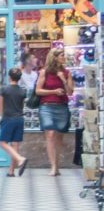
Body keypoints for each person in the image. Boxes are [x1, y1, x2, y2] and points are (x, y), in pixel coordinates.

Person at [36, 46, 73, 176]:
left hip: (61, 106)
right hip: (47, 106)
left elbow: (70, 92)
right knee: (50, 134)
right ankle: (53, 166)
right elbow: (38, 90)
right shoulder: (44, 72)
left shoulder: (67, 72)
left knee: (58, 137)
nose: (64, 57)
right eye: (62, 55)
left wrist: (63, 79)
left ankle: (57, 166)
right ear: (55, 57)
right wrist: (53, 91)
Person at [0, 66, 29, 176]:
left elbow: (0, 106)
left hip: (8, 118)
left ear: (9, 77)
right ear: (19, 78)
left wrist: (1, 117)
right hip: (19, 118)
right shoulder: (22, 91)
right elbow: (21, 105)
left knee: (2, 143)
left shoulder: (4, 90)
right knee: (15, 144)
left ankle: (20, 159)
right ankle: (11, 170)